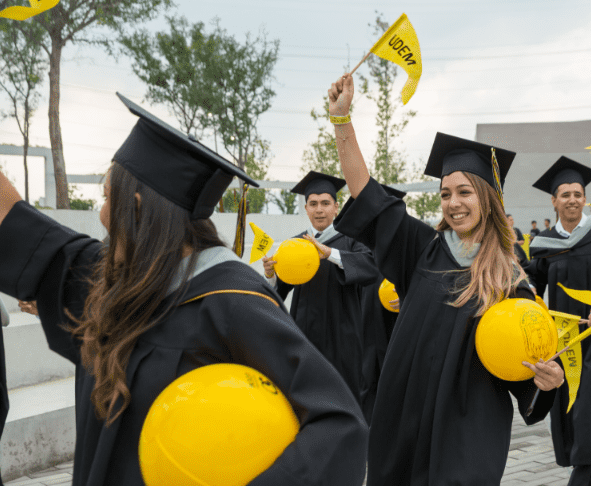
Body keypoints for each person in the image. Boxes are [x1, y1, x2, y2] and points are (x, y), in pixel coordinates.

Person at [0, 95, 368, 486]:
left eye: (108, 197)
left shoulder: (234, 302)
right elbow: (19, 225)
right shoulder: (116, 283)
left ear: (138, 209)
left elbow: (339, 424)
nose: (102, 214)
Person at [327, 74, 564, 486]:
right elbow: (365, 192)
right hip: (405, 417)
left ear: (488, 199)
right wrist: (342, 121)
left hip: (465, 431)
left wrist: (551, 380)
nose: (453, 203)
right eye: (445, 193)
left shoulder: (509, 281)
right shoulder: (420, 248)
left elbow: (532, 360)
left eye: (465, 192)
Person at [262, 171, 379, 406]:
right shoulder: (295, 245)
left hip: (343, 340)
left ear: (336, 207)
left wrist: (329, 254)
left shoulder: (352, 241)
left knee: (343, 399)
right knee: (307, 398)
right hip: (306, 336)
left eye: (325, 203)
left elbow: (370, 268)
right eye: (313, 204)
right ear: (306, 208)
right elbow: (278, 293)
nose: (319, 210)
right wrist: (271, 275)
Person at [526, 156, 591, 486]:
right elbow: (534, 284)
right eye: (565, 194)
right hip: (566, 343)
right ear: (554, 201)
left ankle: (589, 469)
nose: (572, 199)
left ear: (585, 199)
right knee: (573, 404)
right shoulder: (544, 243)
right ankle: (586, 464)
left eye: (578, 193)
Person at [340, 183, 405, 424]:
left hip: (398, 328)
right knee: (368, 383)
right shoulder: (362, 245)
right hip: (367, 327)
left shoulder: (411, 247)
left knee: (397, 384)